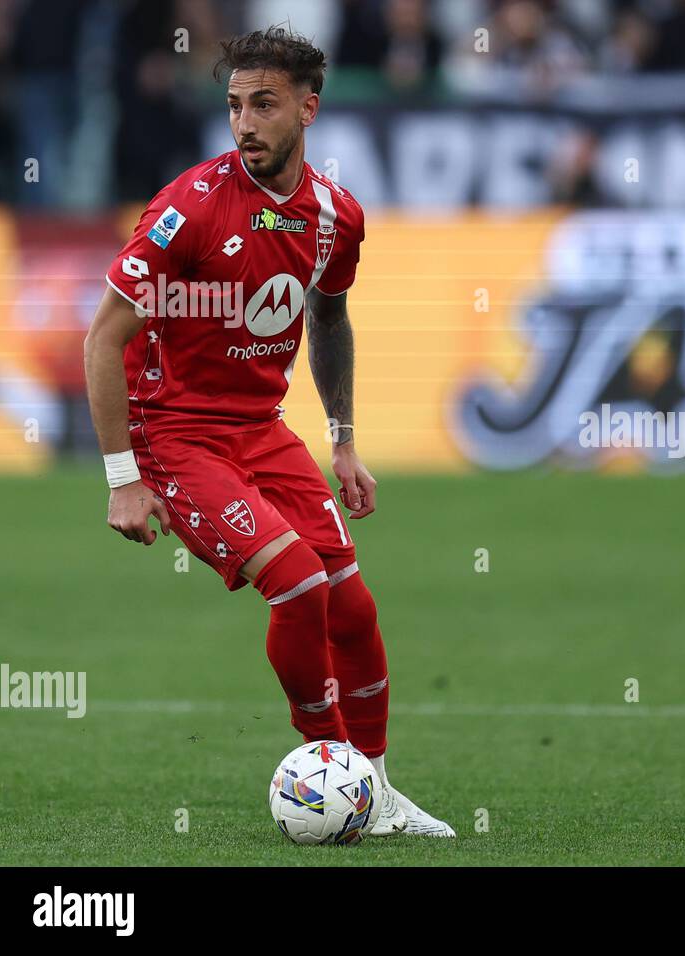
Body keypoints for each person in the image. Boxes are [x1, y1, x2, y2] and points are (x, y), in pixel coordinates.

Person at [82, 25, 453, 838]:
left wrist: (344, 439)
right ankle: (334, 775)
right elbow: (103, 337)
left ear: (308, 110)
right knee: (298, 582)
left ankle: (379, 793)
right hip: (175, 436)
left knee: (352, 606)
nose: (244, 123)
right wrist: (123, 479)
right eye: (234, 106)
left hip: (260, 428)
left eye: (263, 105)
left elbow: (330, 317)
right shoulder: (190, 209)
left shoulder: (333, 216)